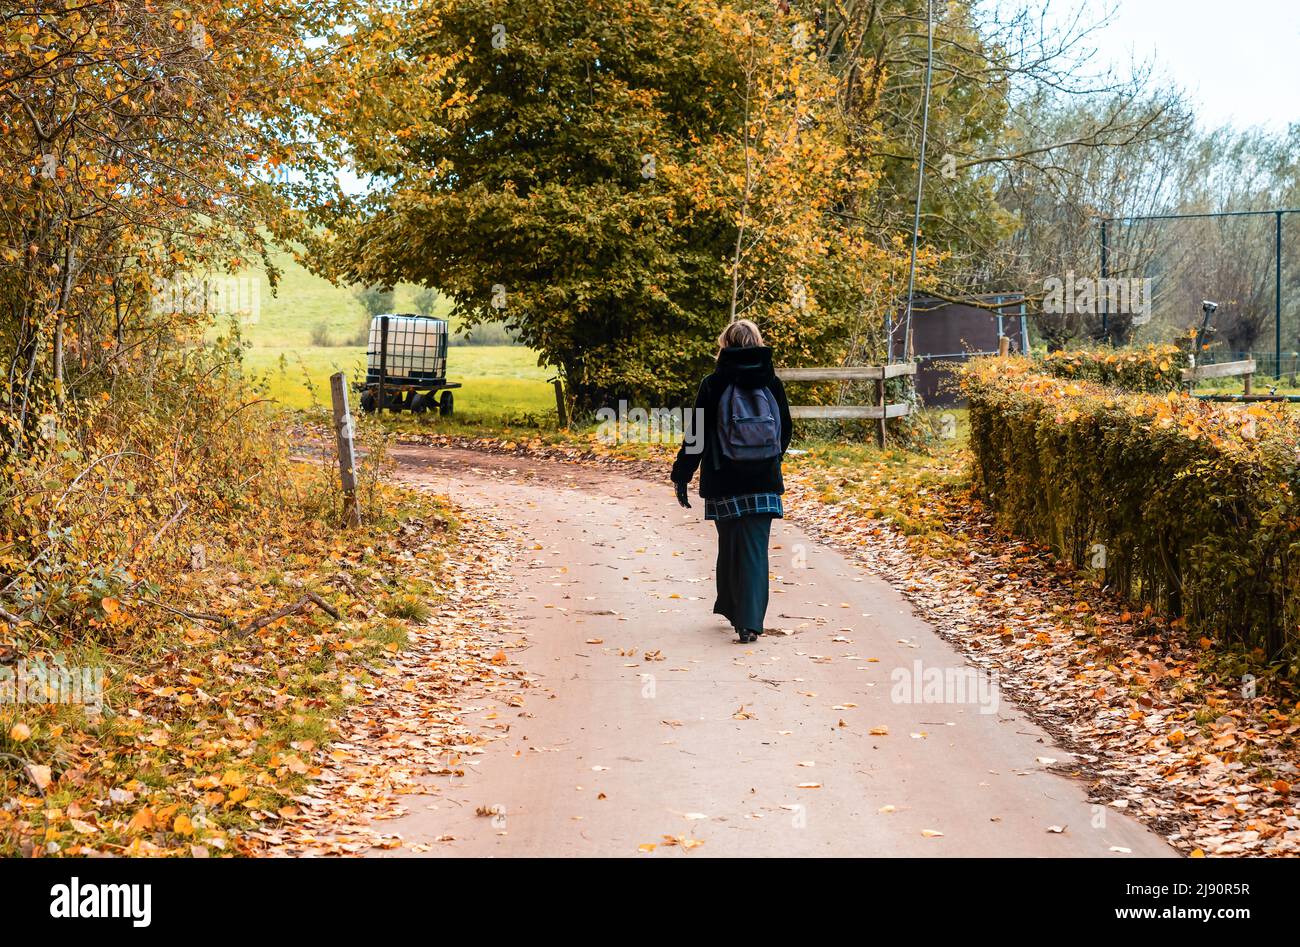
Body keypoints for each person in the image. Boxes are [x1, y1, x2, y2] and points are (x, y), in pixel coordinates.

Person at [671, 319, 792, 643]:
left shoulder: (713, 384)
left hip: (724, 481)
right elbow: (786, 432)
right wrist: (768, 461)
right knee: (754, 550)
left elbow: (695, 436)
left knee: (730, 545)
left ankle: (737, 611)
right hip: (763, 482)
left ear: (725, 344)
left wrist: (682, 474)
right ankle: (746, 619)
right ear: (757, 342)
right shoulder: (771, 382)